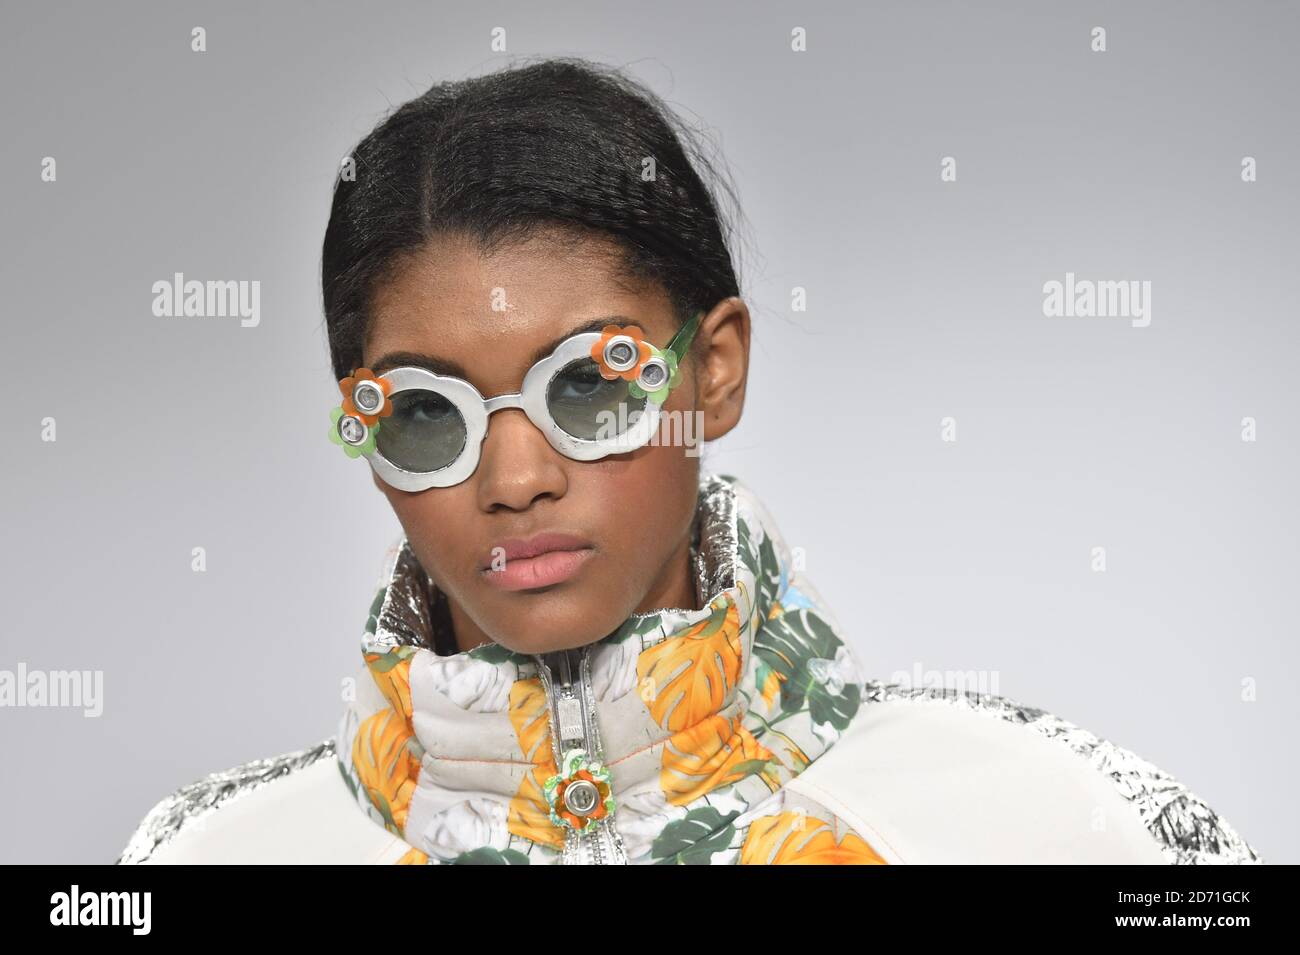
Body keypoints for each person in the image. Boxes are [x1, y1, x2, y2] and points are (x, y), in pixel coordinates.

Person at [117, 57, 1261, 865]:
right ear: (364, 432)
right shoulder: (200, 857)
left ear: (713, 369)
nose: (513, 477)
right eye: (426, 412)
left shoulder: (1049, 820)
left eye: (592, 384)